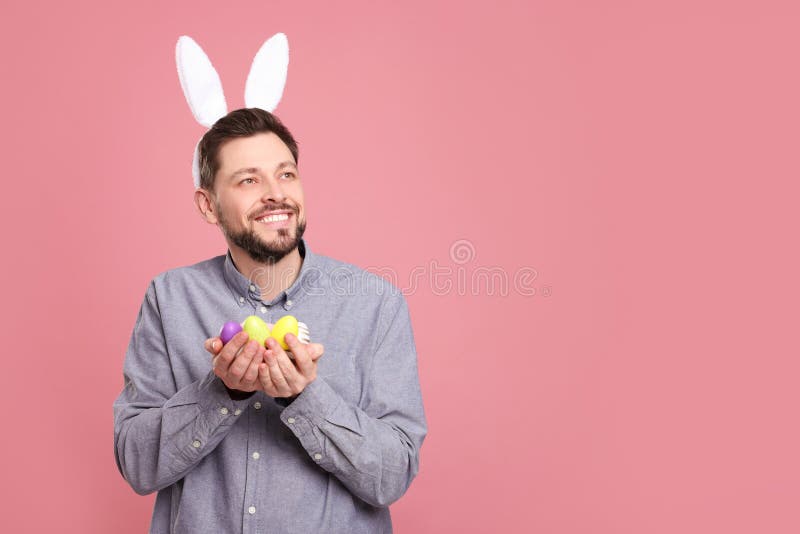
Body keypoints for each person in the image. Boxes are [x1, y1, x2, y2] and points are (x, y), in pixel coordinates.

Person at [113, 108, 427, 533]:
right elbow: (136, 465)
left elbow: (392, 475)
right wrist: (222, 392)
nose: (276, 194)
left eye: (286, 174)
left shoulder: (376, 305)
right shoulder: (169, 299)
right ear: (208, 205)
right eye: (249, 180)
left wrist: (306, 398)